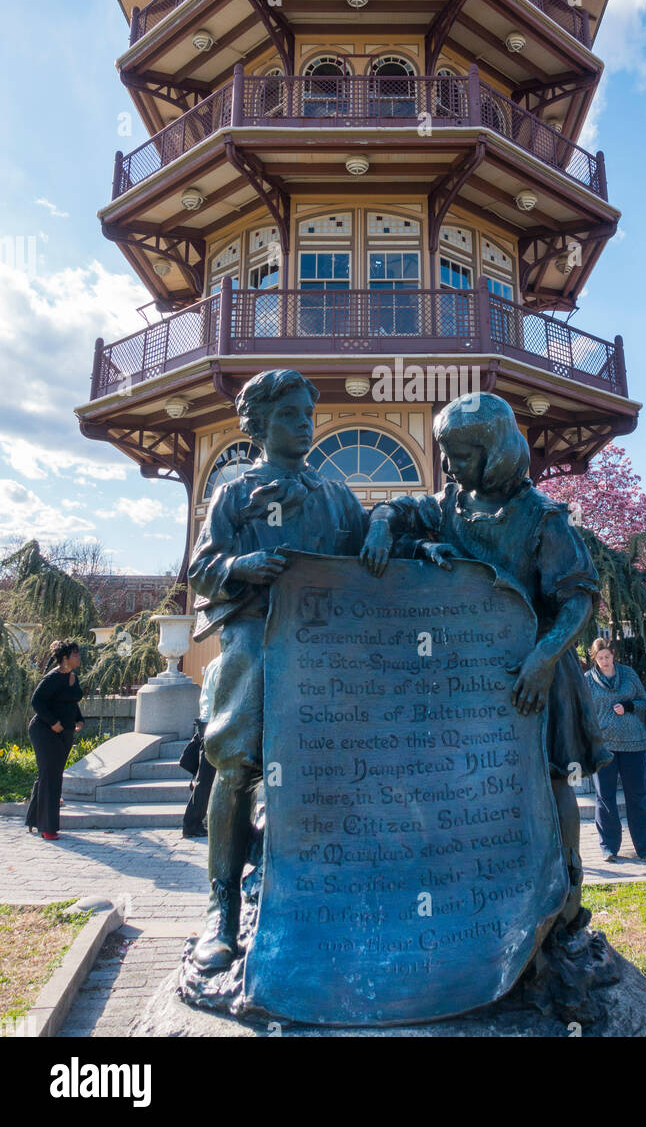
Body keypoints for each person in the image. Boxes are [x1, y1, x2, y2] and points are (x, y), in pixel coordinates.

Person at [362, 392, 612, 927]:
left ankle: (565, 891)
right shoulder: (449, 503)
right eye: (445, 454)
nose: (449, 466)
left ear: (496, 451)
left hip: (534, 672)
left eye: (461, 454)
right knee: (469, 782)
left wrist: (544, 658)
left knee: (550, 779)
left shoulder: (543, 517)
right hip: (466, 678)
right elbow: (400, 509)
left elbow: (578, 599)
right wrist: (387, 526)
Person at [187, 369, 379, 973]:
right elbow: (199, 569)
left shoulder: (335, 493)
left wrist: (415, 540)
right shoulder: (235, 493)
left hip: (323, 649)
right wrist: (242, 564)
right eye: (291, 414)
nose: (305, 423)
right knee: (237, 763)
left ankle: (295, 886)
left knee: (322, 766)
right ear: (262, 425)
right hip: (257, 640)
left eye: (307, 413)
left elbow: (372, 550)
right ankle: (221, 907)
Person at [585, 638, 646, 863]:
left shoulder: (629, 674)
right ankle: (609, 847)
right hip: (603, 747)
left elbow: (644, 701)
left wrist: (629, 706)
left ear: (613, 654)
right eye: (600, 658)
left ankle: (645, 849)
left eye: (607, 656)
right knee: (605, 798)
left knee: (637, 797)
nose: (604, 661)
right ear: (594, 658)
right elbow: (582, 712)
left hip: (633, 743)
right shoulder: (588, 681)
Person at [25, 639, 84, 840]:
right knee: (51, 777)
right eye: (75, 654)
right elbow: (37, 701)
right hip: (44, 731)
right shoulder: (52, 678)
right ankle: (48, 828)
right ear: (65, 658)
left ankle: (34, 819)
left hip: (63, 732)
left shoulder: (72, 676)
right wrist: (52, 722)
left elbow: (71, 701)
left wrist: (79, 719)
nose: (79, 657)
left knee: (49, 774)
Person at [181, 653, 222, 839]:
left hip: (206, 720)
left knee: (205, 777)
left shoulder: (214, 662)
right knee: (206, 778)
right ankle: (192, 823)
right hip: (215, 722)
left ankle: (196, 821)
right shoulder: (226, 664)